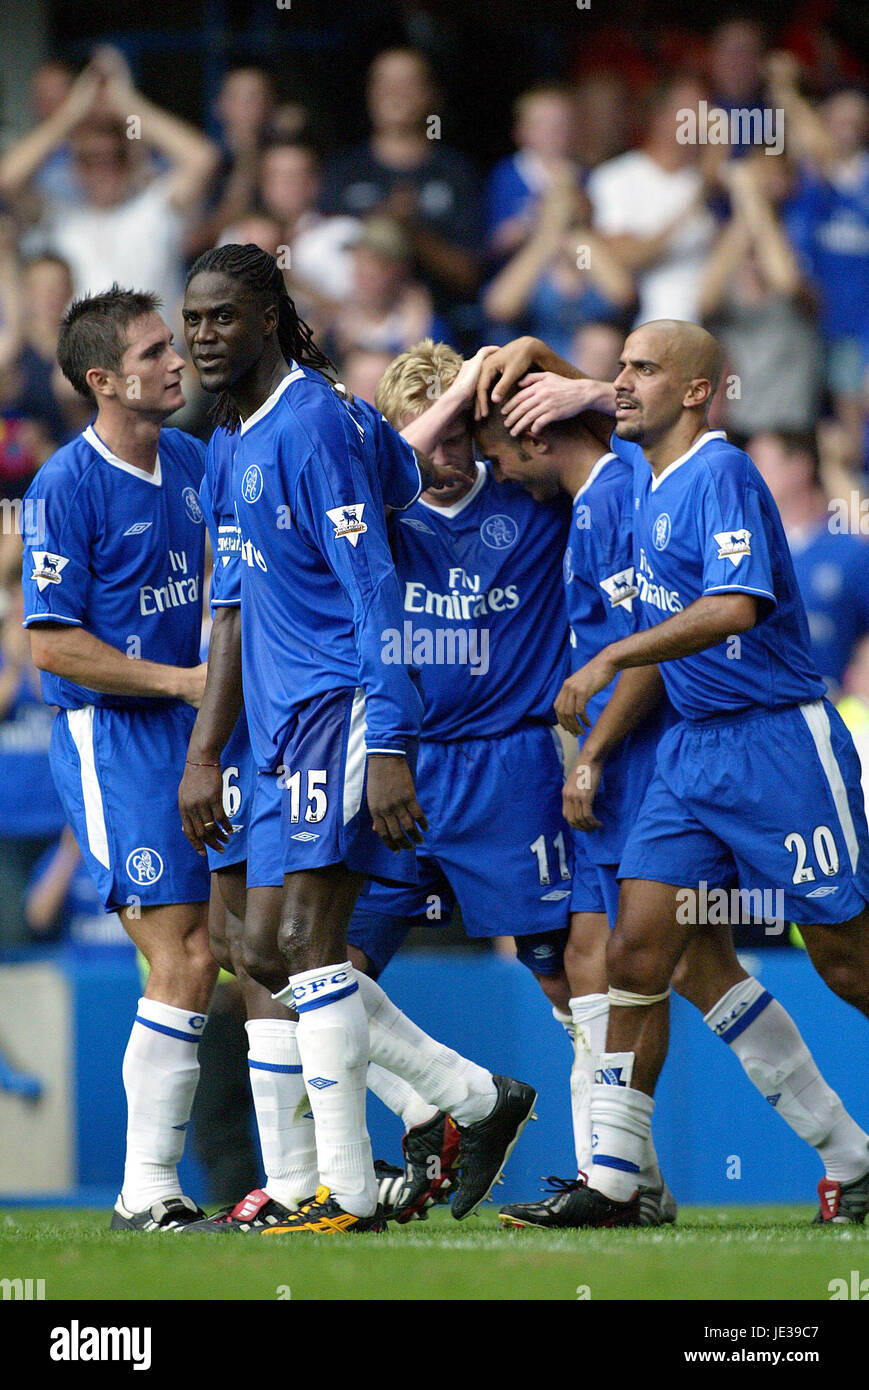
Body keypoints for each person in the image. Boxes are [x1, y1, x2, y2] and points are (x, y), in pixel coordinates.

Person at [471, 332, 869, 1228]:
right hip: (692, 751)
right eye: (615, 368)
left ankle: (853, 1161)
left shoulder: (717, 476)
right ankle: (616, 1183)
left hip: (776, 741)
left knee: (847, 962)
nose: (618, 384)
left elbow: (735, 606)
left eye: (641, 370)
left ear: (698, 391)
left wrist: (611, 652)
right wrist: (537, 352)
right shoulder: (644, 481)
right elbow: (593, 413)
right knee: (635, 951)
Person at [177, 243, 536, 1234]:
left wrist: (387, 738)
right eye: (191, 319)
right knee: (249, 950)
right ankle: (454, 1100)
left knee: (303, 942)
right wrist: (206, 750)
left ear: (264, 319)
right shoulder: (229, 438)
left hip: (339, 706)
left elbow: (376, 581)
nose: (202, 335)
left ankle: (336, 1191)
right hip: (271, 724)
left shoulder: (311, 422)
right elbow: (230, 607)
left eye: (221, 318)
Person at [19, 285, 215, 1230]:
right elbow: (50, 645)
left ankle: (440, 1104)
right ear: (103, 379)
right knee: (182, 955)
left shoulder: (191, 459)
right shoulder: (65, 485)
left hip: (196, 732)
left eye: (172, 345)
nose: (176, 362)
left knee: (248, 948)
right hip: (113, 736)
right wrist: (182, 682)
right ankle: (145, 1193)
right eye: (152, 353)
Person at [750, 429, 869, 696]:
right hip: (765, 710)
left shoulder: (849, 548)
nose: (749, 474)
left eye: (760, 462)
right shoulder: (745, 546)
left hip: (836, 707)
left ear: (799, 467)